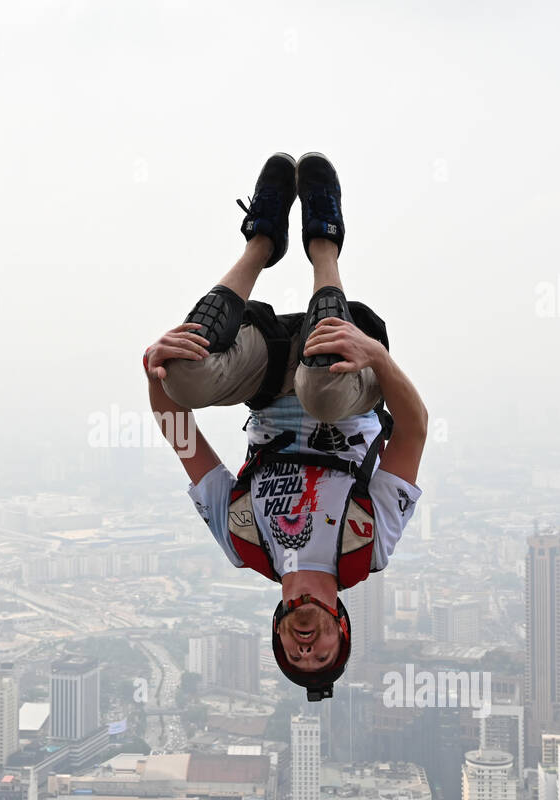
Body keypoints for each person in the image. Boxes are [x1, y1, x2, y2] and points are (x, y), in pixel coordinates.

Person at [143, 152, 429, 701]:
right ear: (341, 627)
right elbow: (413, 430)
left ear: (276, 631)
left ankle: (262, 242)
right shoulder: (365, 546)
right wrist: (378, 359)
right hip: (347, 369)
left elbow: (183, 437)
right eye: (321, 653)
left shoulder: (245, 541)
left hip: (270, 369)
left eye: (295, 656)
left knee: (183, 375)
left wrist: (154, 370)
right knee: (321, 394)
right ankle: (324, 243)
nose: (306, 648)